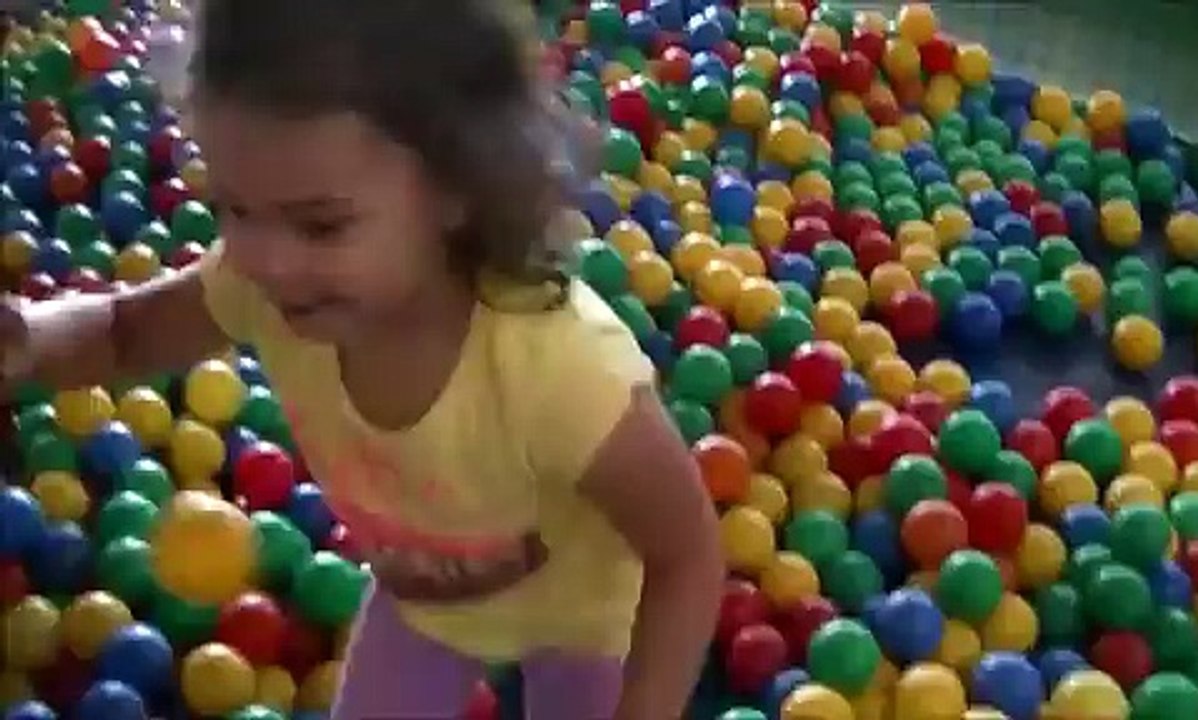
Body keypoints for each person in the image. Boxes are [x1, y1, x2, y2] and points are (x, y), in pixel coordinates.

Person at [0, 1, 724, 718]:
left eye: (321, 224)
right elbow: (126, 329)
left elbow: (685, 554)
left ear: (455, 188)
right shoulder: (258, 287)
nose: (268, 259)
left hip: (582, 623)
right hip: (424, 602)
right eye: (234, 208)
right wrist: (29, 338)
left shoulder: (559, 372)